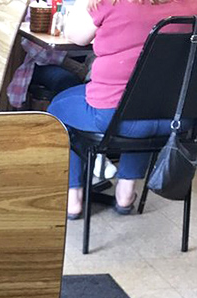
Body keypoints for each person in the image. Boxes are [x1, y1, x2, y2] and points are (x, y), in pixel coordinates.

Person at [47, 0, 197, 219]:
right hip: (177, 117)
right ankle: (126, 191)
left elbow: (75, 36)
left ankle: (73, 196)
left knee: (58, 107)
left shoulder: (109, 2)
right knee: (143, 101)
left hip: (112, 117)